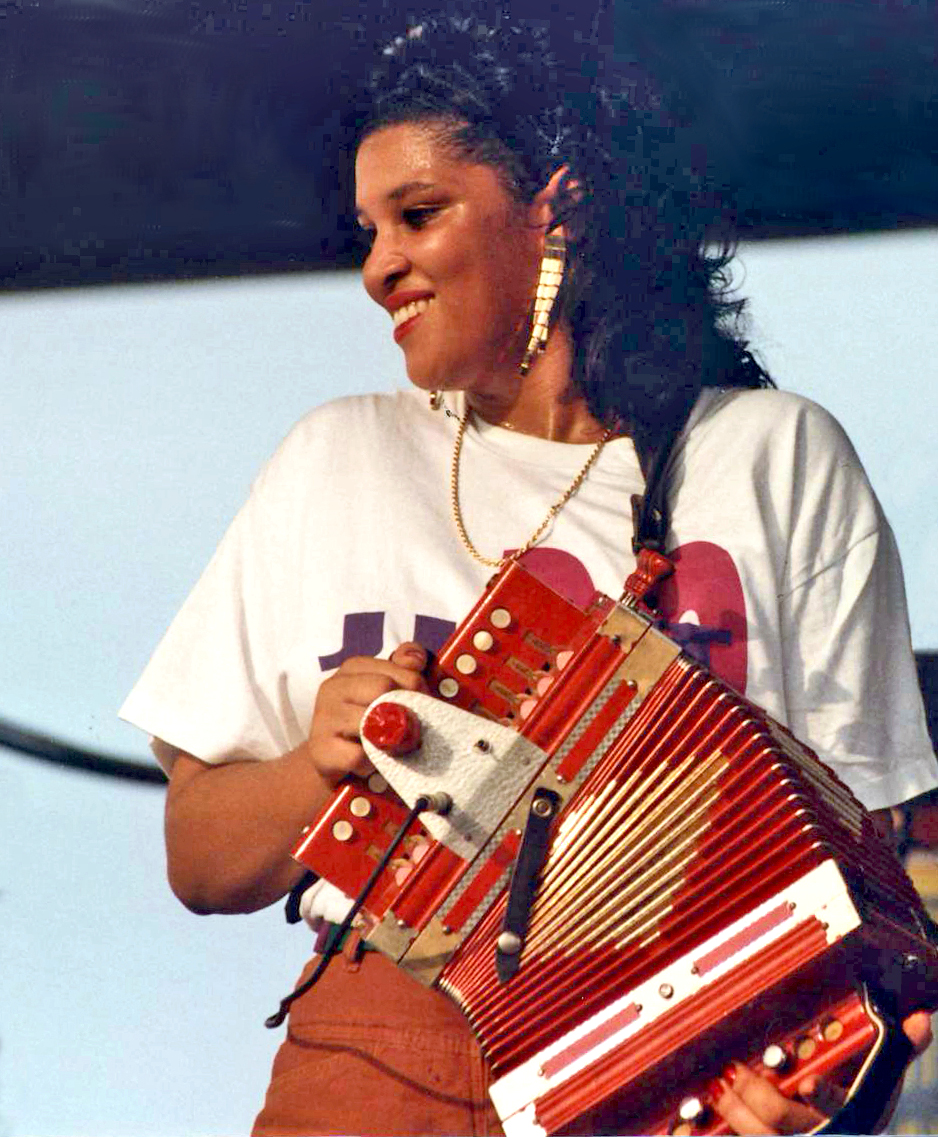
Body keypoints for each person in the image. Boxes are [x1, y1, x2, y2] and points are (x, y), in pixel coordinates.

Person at [120, 12, 937, 1136]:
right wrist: (322, 764)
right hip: (379, 1058)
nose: (375, 268)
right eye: (366, 230)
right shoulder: (338, 455)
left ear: (556, 209)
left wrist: (809, 1075)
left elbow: (866, 862)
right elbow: (198, 858)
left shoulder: (771, 454)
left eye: (417, 215)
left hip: (668, 1061)